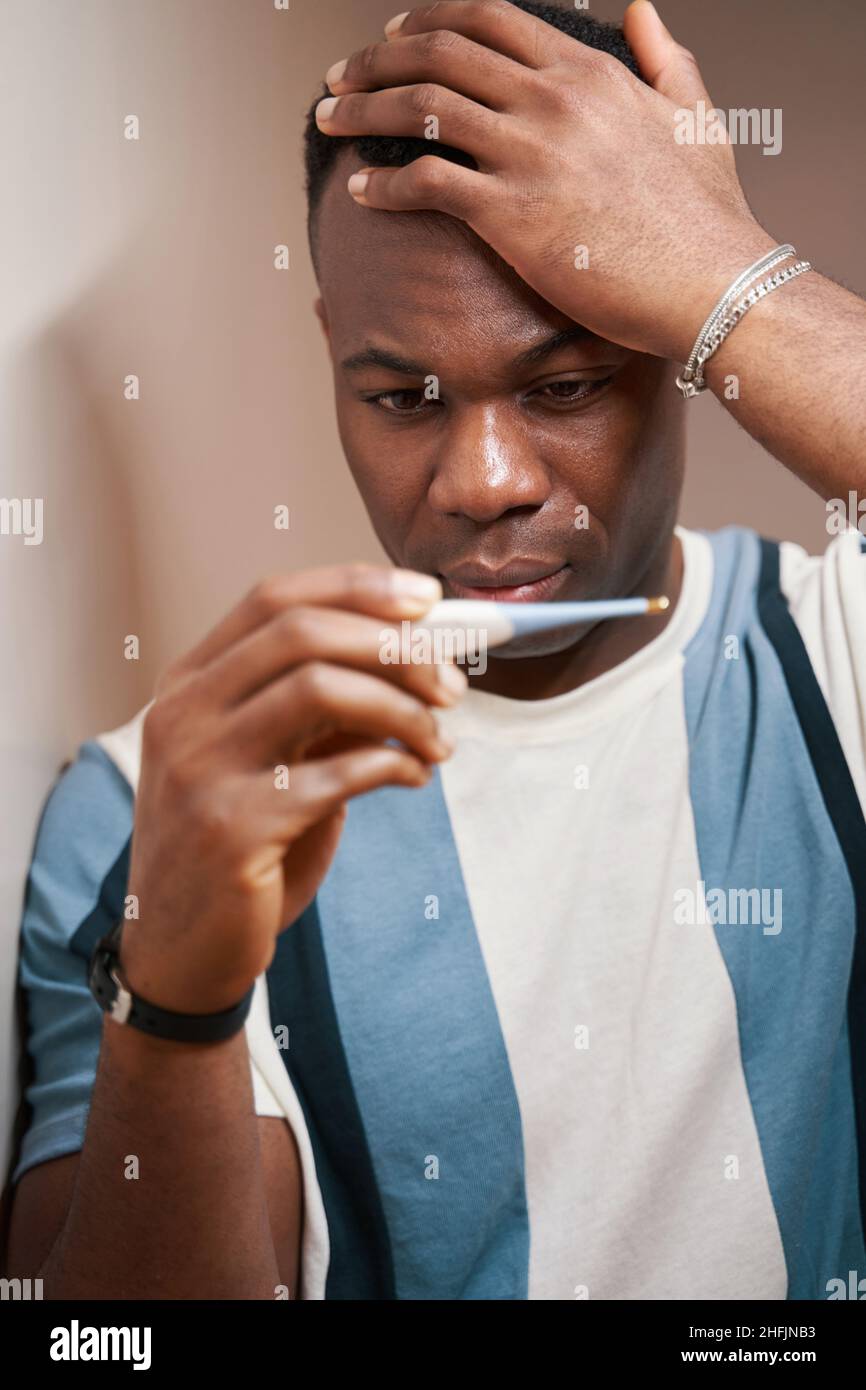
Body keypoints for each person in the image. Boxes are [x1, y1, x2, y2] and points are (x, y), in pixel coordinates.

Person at [5, 0, 866, 1300]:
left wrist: (724, 267)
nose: (483, 481)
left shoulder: (832, 646)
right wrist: (176, 1005)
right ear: (326, 352)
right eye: (401, 395)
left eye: (563, 383)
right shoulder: (151, 806)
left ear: (672, 342)